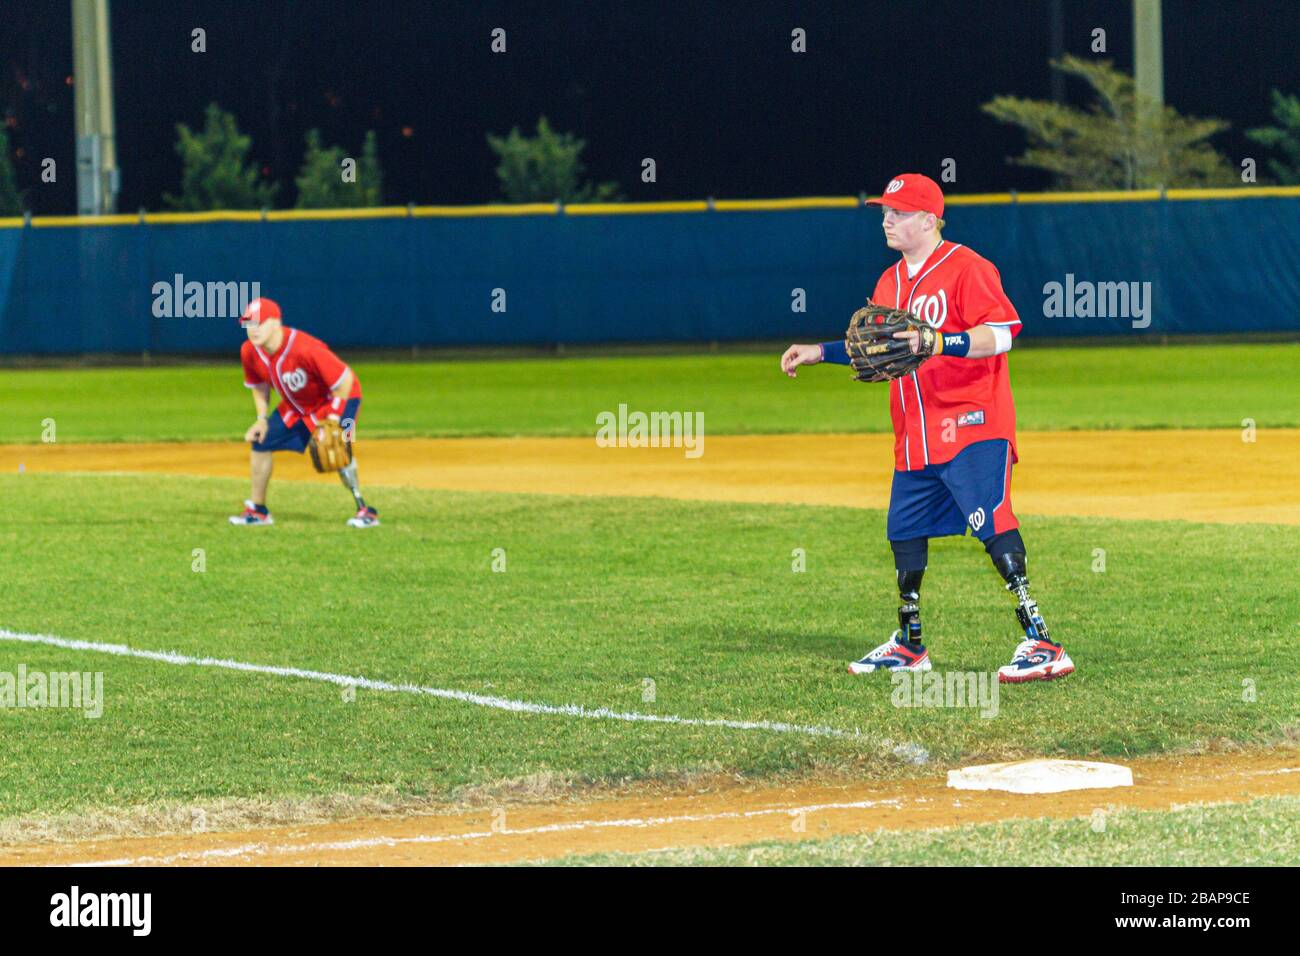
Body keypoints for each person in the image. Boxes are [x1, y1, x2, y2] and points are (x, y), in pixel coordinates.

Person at [780, 173, 1072, 683]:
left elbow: (1000, 335)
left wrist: (940, 343)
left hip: (973, 420)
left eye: (898, 212)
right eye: (885, 212)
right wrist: (819, 352)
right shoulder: (888, 282)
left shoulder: (967, 267)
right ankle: (911, 646)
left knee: (991, 519)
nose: (887, 220)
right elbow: (876, 347)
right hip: (915, 432)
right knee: (905, 532)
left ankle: (1042, 641)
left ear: (929, 219)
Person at [228, 297, 380, 528]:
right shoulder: (249, 351)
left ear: (276, 323)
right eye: (248, 323)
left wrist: (333, 419)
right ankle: (258, 511)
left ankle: (364, 511)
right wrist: (261, 419)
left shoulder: (305, 348)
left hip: (342, 398)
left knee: (338, 445)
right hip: (298, 405)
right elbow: (258, 385)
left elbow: (345, 381)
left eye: (259, 322)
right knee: (262, 441)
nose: (253, 329)